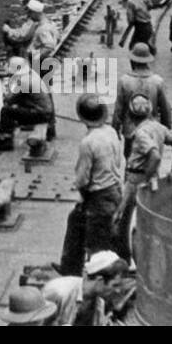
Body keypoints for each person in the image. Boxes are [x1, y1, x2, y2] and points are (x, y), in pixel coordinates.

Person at [60, 94, 123, 275]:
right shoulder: (111, 132)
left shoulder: (88, 142)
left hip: (97, 196)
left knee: (96, 241)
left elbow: (82, 178)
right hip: (114, 190)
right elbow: (118, 160)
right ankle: (69, 267)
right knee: (75, 220)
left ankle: (89, 279)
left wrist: (81, 193)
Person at [115, 93, 172, 256]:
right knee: (146, 218)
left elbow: (154, 155)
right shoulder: (159, 127)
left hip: (136, 179)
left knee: (122, 218)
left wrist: (144, 178)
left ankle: (125, 257)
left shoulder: (141, 133)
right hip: (153, 178)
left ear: (130, 115)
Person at [42, 251, 135, 326]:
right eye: (115, 285)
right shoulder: (58, 292)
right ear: (99, 279)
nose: (118, 291)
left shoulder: (100, 302)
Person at [111, 43, 172, 155]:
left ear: (132, 61)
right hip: (152, 131)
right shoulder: (157, 81)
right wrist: (166, 129)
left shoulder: (124, 81)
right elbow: (165, 109)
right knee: (152, 160)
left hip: (130, 131)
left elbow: (118, 109)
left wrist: (115, 130)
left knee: (131, 162)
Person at [0, 56, 56, 151]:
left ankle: (6, 140)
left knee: (6, 111)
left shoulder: (23, 82)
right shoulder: (32, 74)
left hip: (40, 114)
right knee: (17, 106)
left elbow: (9, 99)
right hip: (46, 111)